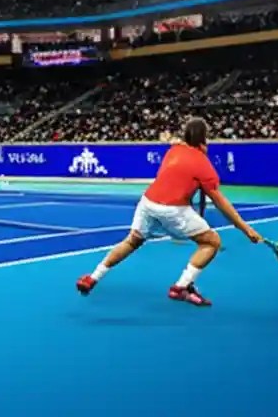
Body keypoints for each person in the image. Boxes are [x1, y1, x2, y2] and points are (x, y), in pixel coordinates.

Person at [75, 117, 262, 307]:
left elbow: (179, 145)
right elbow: (221, 202)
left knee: (132, 240)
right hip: (173, 209)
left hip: (148, 202)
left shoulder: (174, 150)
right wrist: (246, 229)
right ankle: (182, 286)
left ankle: (93, 277)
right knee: (211, 242)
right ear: (205, 137)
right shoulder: (204, 166)